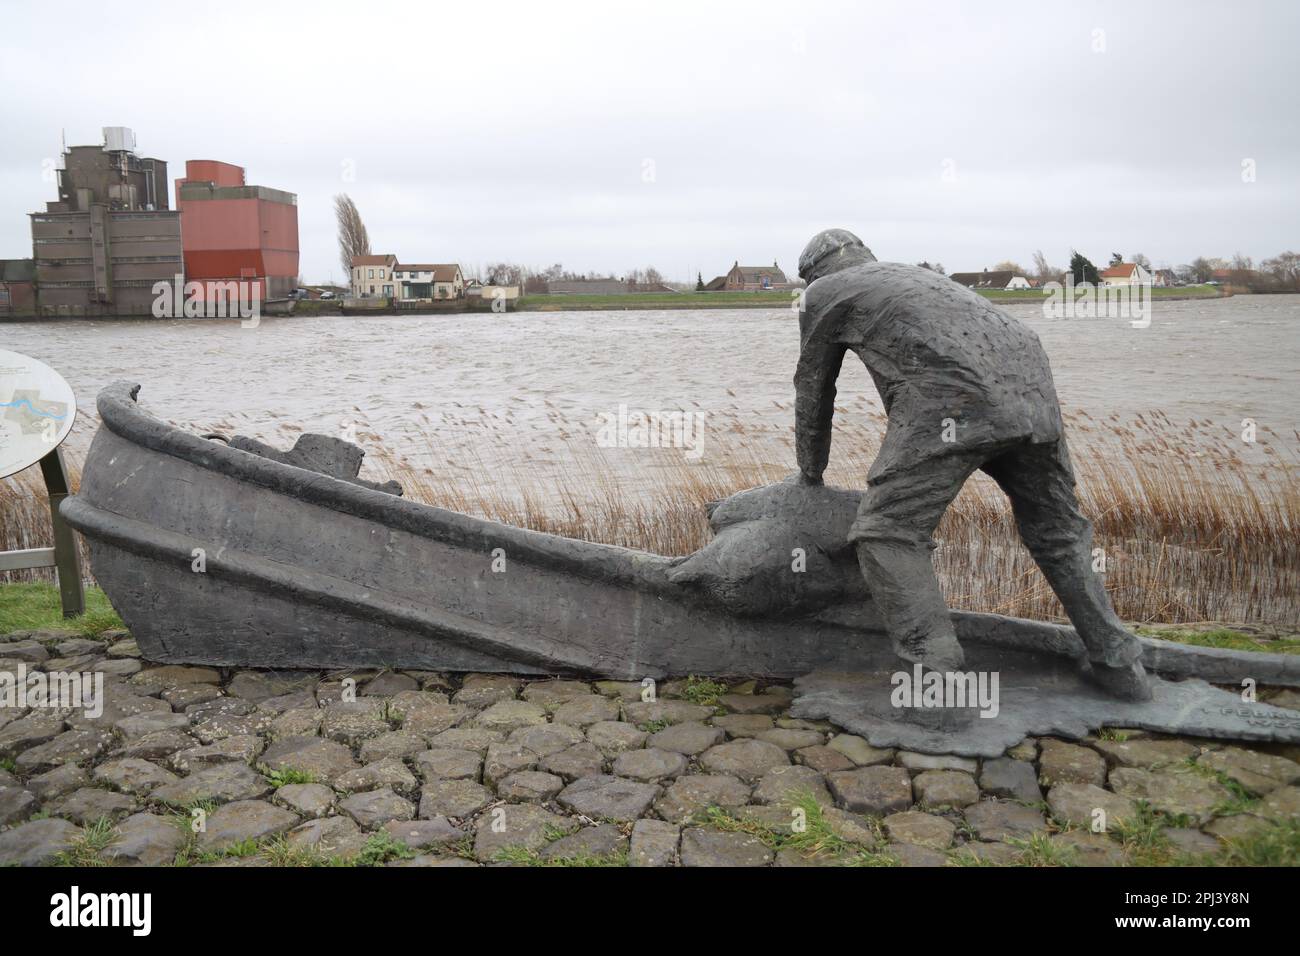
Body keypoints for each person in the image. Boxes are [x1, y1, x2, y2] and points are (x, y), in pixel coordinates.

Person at [793, 228, 1150, 700]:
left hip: (956, 405)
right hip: (1033, 402)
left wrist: (810, 473)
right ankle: (1120, 665)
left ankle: (936, 682)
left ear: (814, 273)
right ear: (864, 254)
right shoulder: (918, 278)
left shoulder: (824, 292)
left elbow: (813, 388)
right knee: (1059, 533)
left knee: (888, 534)